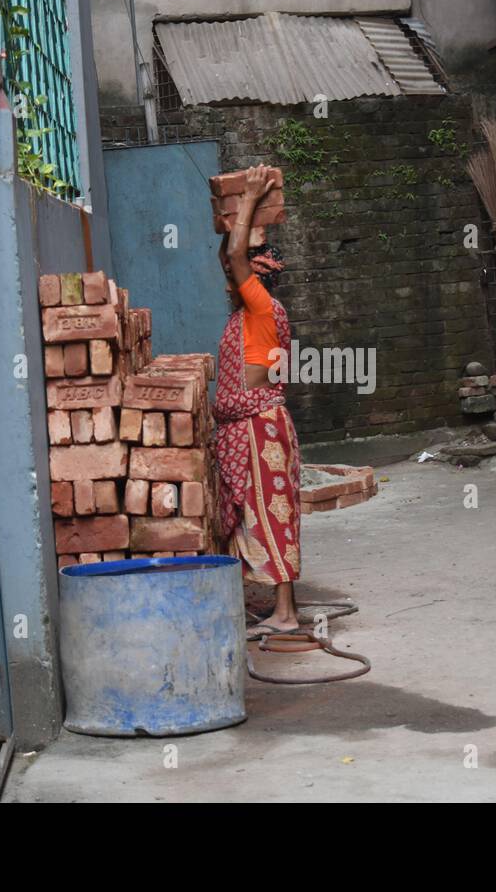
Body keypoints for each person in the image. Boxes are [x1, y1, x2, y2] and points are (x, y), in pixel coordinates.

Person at [213, 164, 302, 639]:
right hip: (249, 425)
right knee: (252, 514)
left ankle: (286, 613)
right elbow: (228, 253)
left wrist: (247, 199)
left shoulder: (261, 308)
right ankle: (273, 605)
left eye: (237, 266)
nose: (228, 269)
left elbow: (234, 254)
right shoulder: (247, 313)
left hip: (259, 426)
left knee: (272, 512)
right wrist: (235, 220)